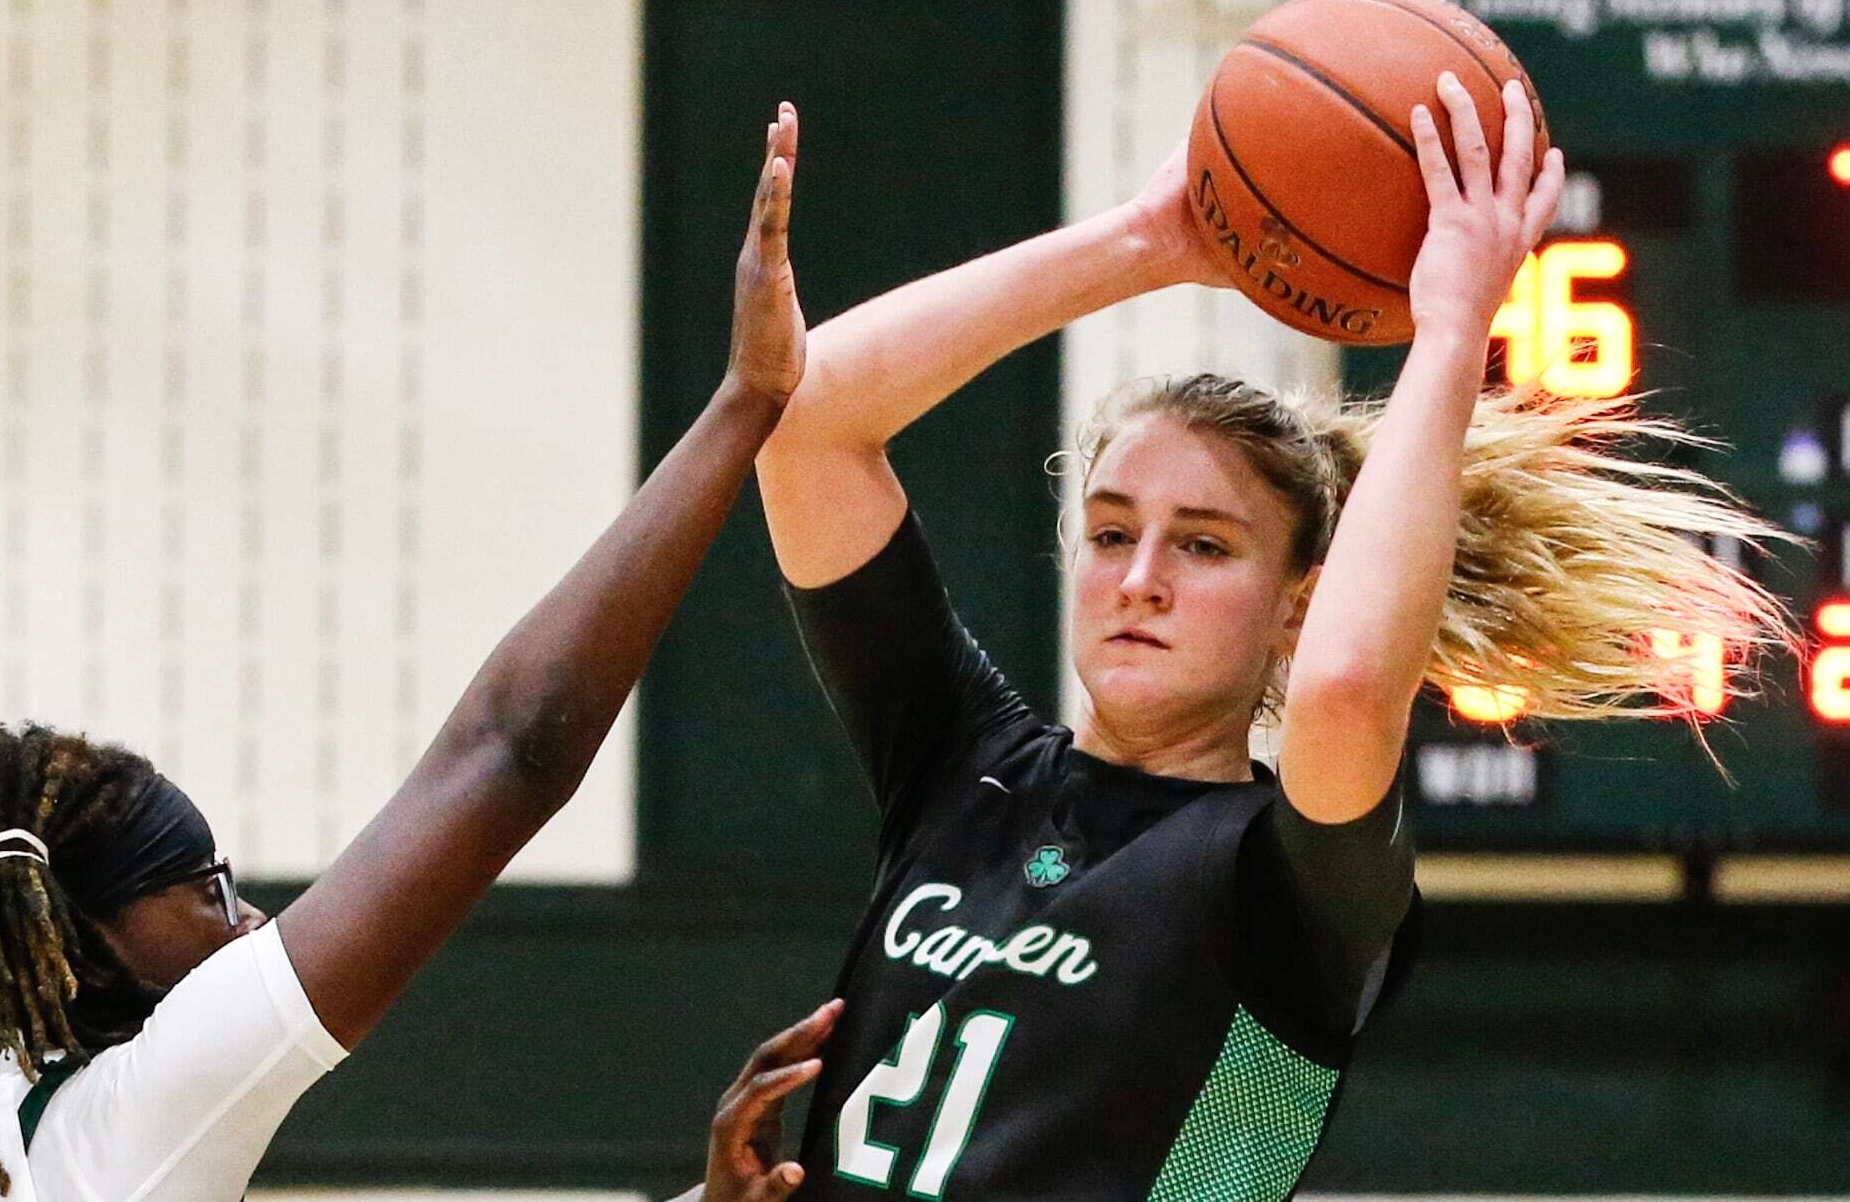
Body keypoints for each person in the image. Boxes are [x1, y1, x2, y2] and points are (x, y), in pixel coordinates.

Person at [682, 77, 1791, 1202]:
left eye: (1203, 547)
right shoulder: (960, 765)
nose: (1141, 578)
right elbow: (805, 420)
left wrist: (1453, 332)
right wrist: (1146, 239)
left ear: (1298, 605)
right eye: (1112, 532)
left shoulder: (1286, 880)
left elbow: (1351, 688)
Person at [0, 104, 812, 1202]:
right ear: (80, 933)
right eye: (207, 889)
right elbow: (512, 750)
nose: (248, 921)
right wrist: (742, 404)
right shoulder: (128, 1119)